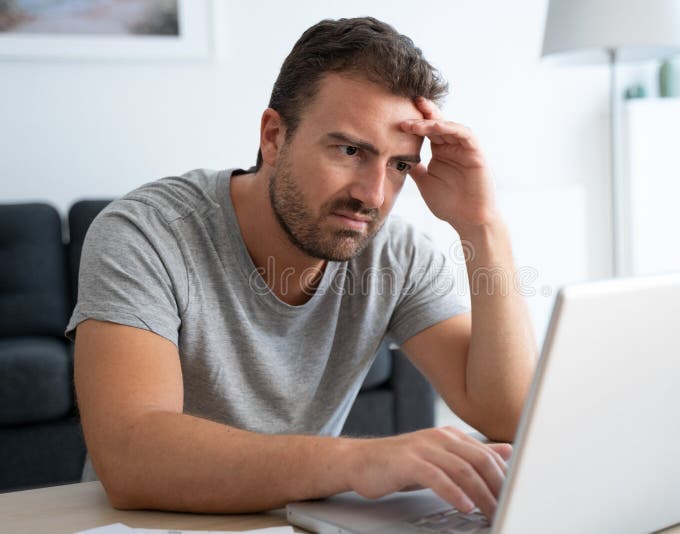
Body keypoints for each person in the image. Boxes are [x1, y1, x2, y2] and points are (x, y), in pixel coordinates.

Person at [67, 16, 536, 519]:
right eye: (350, 150)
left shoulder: (393, 254)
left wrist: (482, 225)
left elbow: (511, 416)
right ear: (273, 136)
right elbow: (131, 456)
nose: (373, 195)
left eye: (399, 165)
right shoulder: (146, 233)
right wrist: (360, 461)